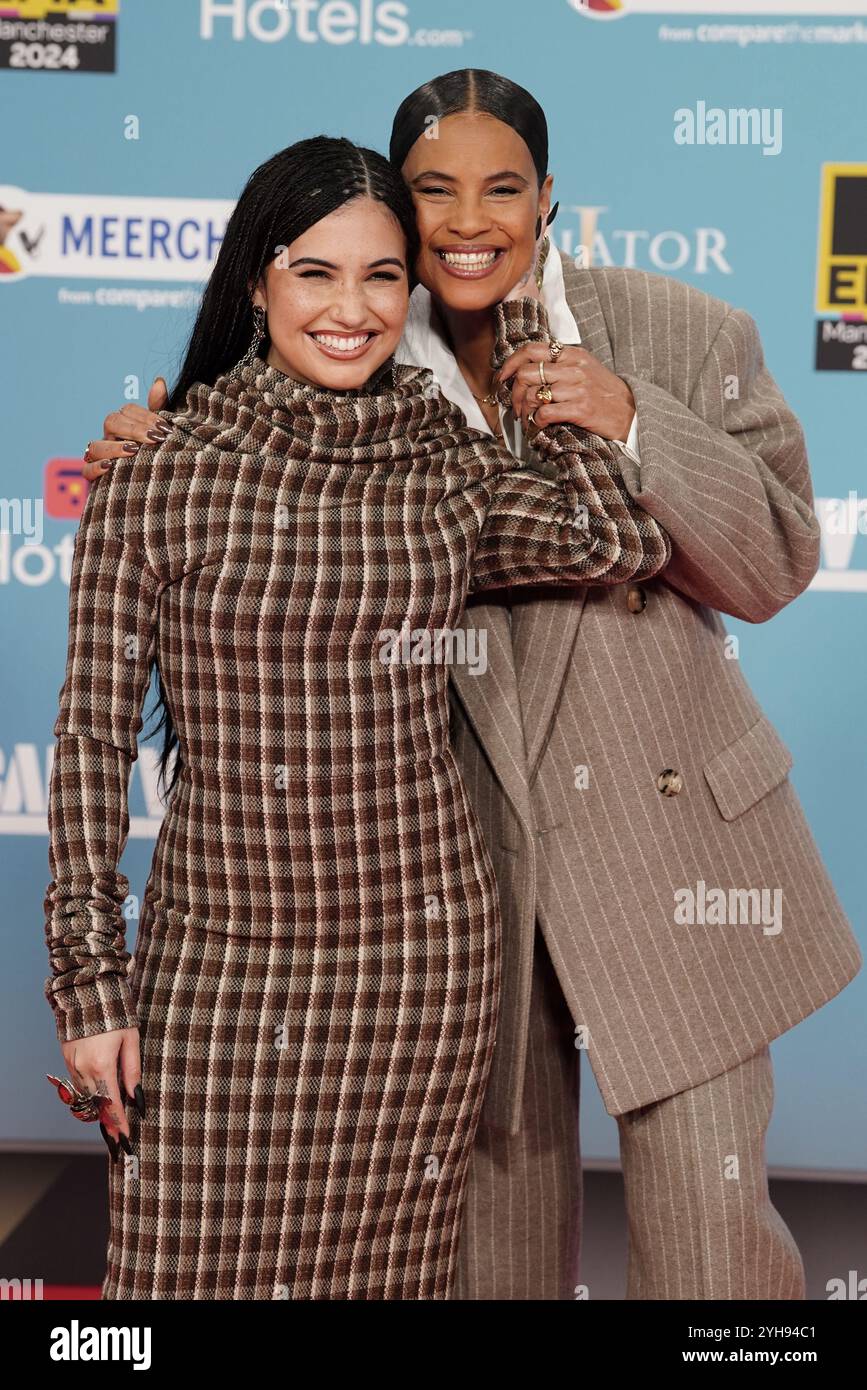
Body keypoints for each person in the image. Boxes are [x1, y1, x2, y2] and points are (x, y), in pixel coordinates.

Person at [81, 71, 862, 1301]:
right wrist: (162, 443)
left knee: (719, 1265)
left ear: (550, 200)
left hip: (672, 873)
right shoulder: (372, 378)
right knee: (491, 1275)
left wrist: (629, 418)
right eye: (432, 191)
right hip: (461, 903)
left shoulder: (678, 329)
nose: (468, 219)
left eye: (503, 187)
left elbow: (775, 560)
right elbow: (271, 514)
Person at [44, 135, 671, 1300]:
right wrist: (89, 989)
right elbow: (89, 740)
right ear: (256, 281)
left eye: (384, 275)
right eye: (316, 271)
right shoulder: (159, 473)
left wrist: (534, 342)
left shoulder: (440, 461)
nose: (352, 308)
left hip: (418, 965)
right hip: (220, 969)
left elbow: (613, 538)